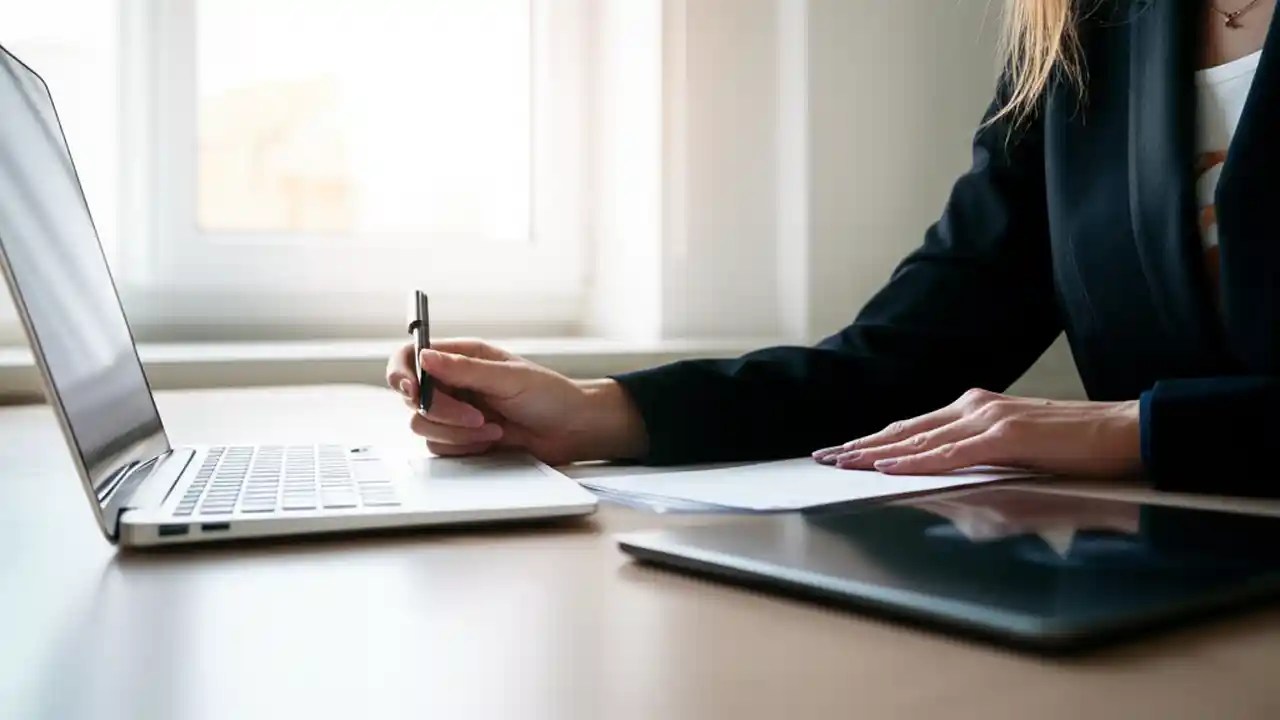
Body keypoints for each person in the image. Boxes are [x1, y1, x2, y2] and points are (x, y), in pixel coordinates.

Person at [387, 0, 1277, 495]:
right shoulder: (1089, 23)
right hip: (1165, 578)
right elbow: (899, 363)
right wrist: (596, 412)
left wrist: (1142, 428)